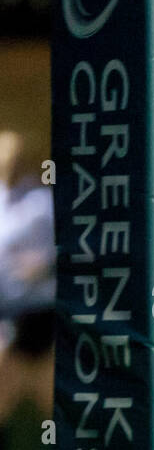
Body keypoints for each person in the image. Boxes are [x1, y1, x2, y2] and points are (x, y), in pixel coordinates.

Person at [0, 130, 56, 433]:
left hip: (37, 313)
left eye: (13, 157)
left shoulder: (39, 203)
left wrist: (41, 264)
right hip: (5, 312)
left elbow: (55, 252)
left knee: (49, 398)